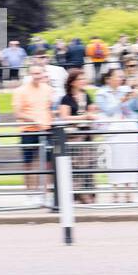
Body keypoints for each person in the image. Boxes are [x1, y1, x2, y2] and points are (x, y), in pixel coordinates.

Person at [95, 67, 138, 203]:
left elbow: (135, 108)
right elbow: (108, 111)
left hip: (128, 128)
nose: (121, 78)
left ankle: (128, 192)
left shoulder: (126, 89)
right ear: (109, 79)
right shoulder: (101, 93)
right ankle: (115, 192)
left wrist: (136, 96)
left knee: (130, 159)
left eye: (122, 76)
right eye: (118, 76)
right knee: (115, 160)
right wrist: (122, 100)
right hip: (113, 129)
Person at [56, 68, 99, 204]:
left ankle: (88, 194)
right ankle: (76, 194)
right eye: (80, 79)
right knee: (75, 166)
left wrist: (89, 115)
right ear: (72, 82)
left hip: (86, 134)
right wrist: (84, 116)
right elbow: (64, 117)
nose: (83, 81)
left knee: (89, 165)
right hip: (73, 136)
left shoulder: (86, 95)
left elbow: (92, 111)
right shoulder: (66, 98)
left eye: (84, 79)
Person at [12, 64, 54, 201]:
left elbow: (49, 108)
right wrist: (33, 119)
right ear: (30, 75)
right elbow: (18, 113)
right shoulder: (20, 91)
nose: (37, 76)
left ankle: (45, 193)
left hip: (45, 129)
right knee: (28, 163)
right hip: (28, 130)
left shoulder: (48, 89)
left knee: (47, 163)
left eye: (39, 73)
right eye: (34, 74)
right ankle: (30, 193)